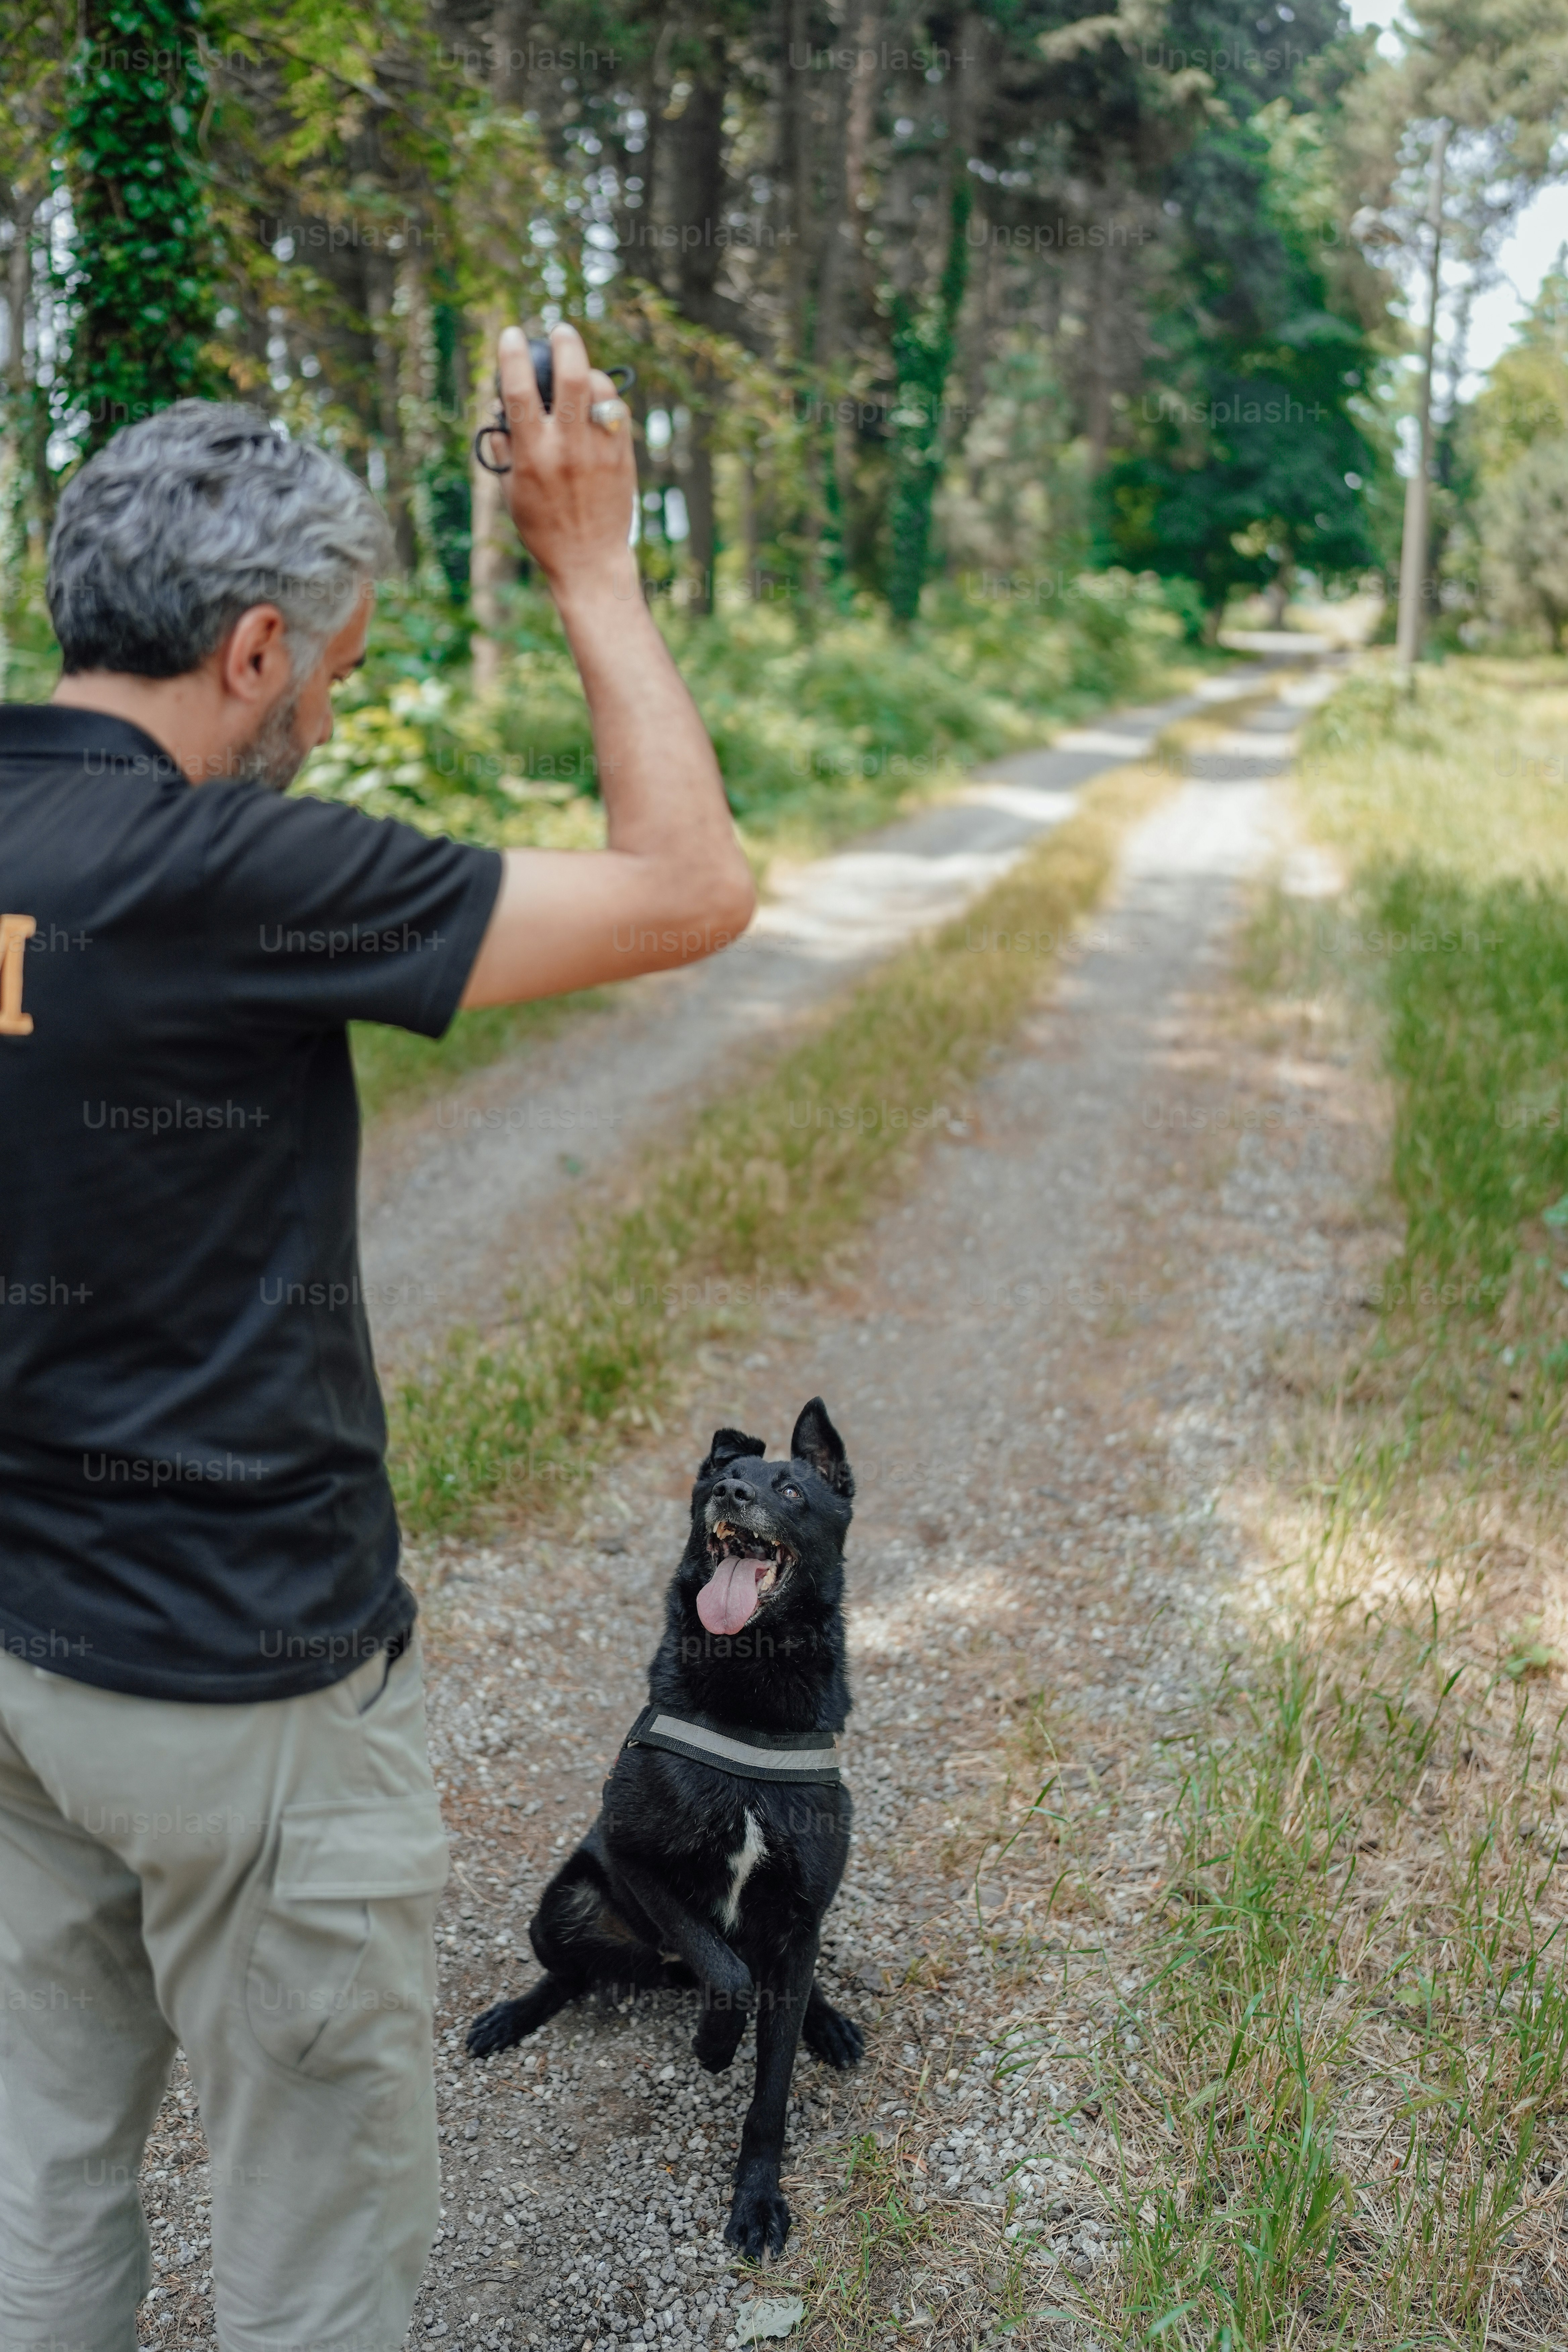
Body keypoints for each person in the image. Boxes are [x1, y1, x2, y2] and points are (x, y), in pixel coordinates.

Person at [0, 325, 754, 2352]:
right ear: (251, 652)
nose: (336, 701)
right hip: (233, 1665)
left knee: (41, 2179)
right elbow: (691, 889)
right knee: (314, 2233)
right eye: (330, 665)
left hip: (12, 1659)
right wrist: (592, 565)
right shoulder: (225, 869)